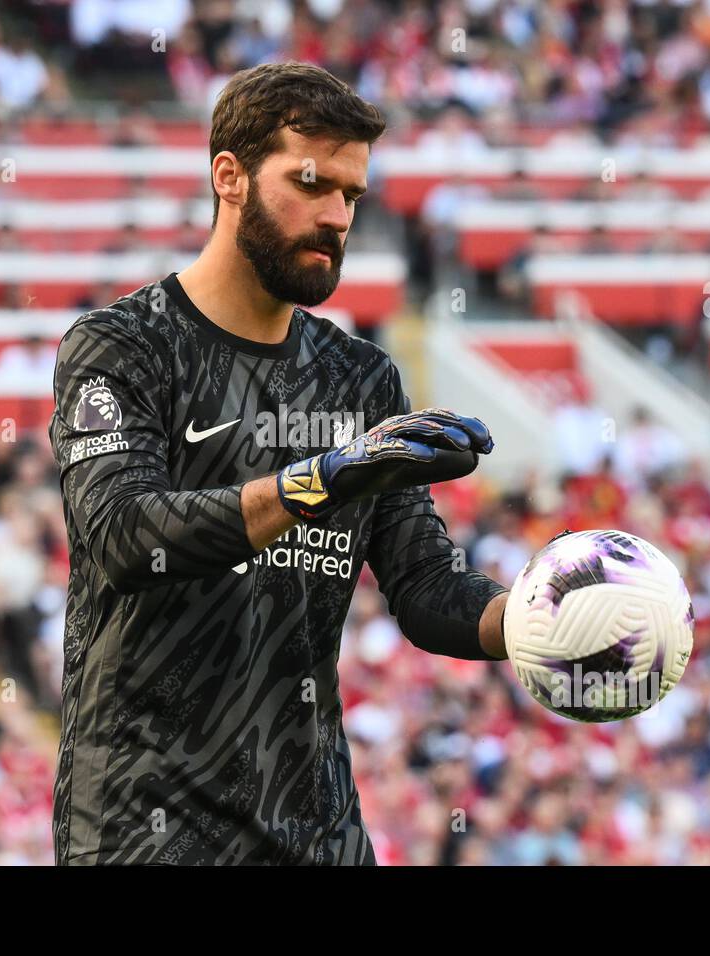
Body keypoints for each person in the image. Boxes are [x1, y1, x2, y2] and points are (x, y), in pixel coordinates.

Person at [48, 62, 509, 865]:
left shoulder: (363, 379)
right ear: (229, 177)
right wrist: (321, 479)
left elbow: (429, 592)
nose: (336, 216)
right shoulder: (122, 347)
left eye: (352, 196)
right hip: (144, 831)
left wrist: (547, 618)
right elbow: (124, 536)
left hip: (319, 836)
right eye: (310, 182)